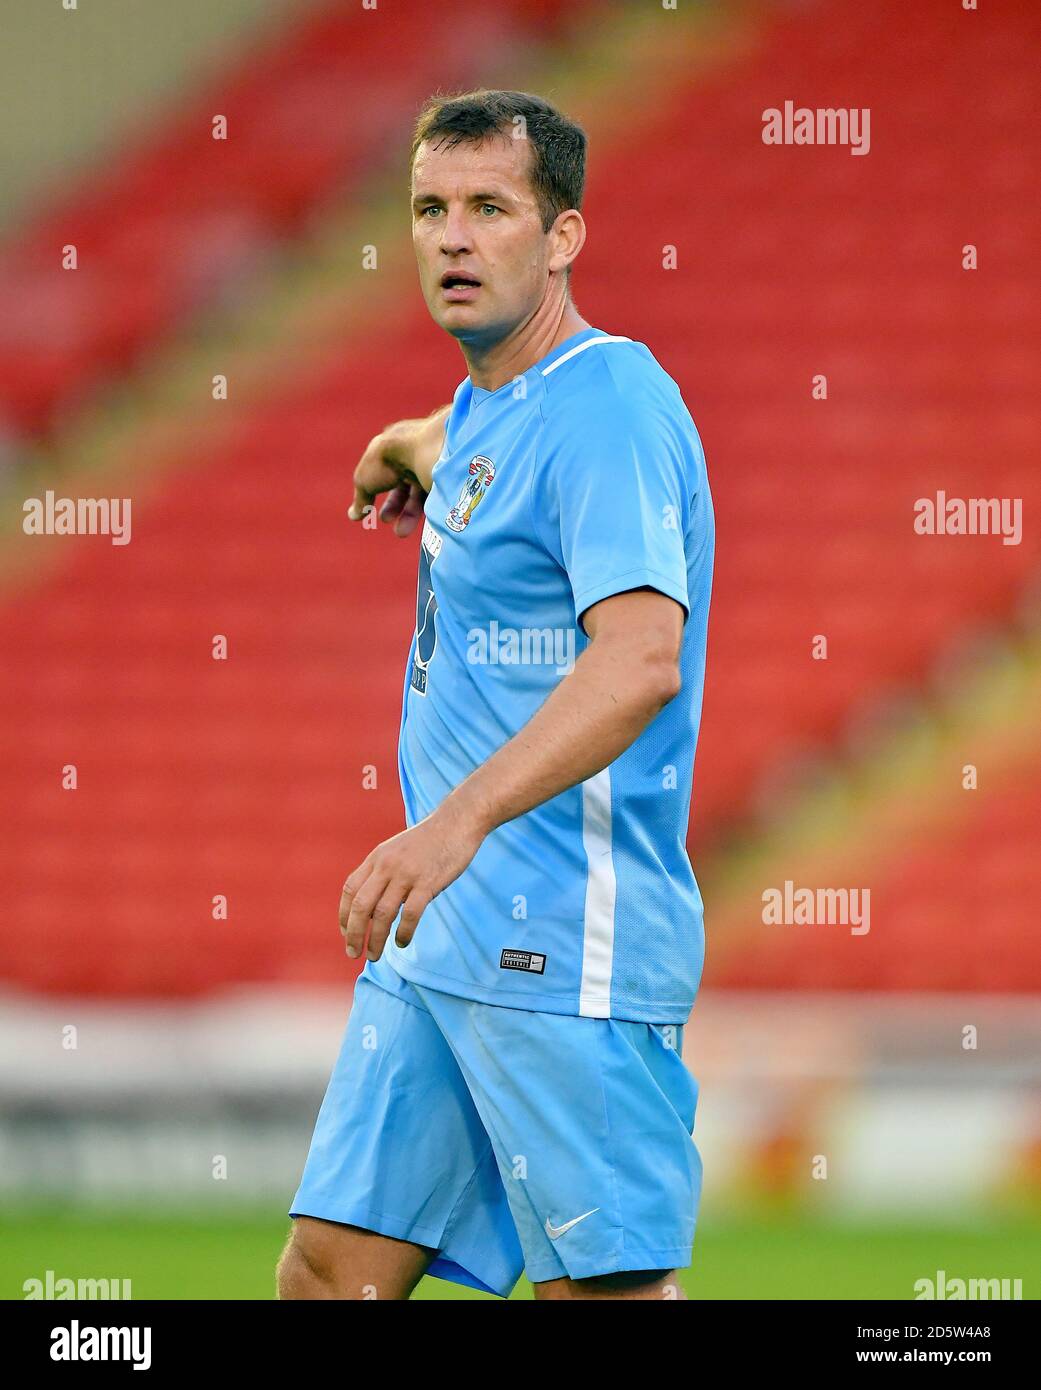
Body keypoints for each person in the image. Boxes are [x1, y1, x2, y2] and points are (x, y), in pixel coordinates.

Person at [277, 88, 714, 1302]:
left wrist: (452, 823)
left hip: (561, 942)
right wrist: (404, 444)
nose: (453, 238)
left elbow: (639, 658)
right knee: (327, 1274)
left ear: (563, 236)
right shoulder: (488, 402)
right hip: (441, 947)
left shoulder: (611, 407)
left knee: (605, 1293)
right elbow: (466, 438)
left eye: (489, 209)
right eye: (429, 209)